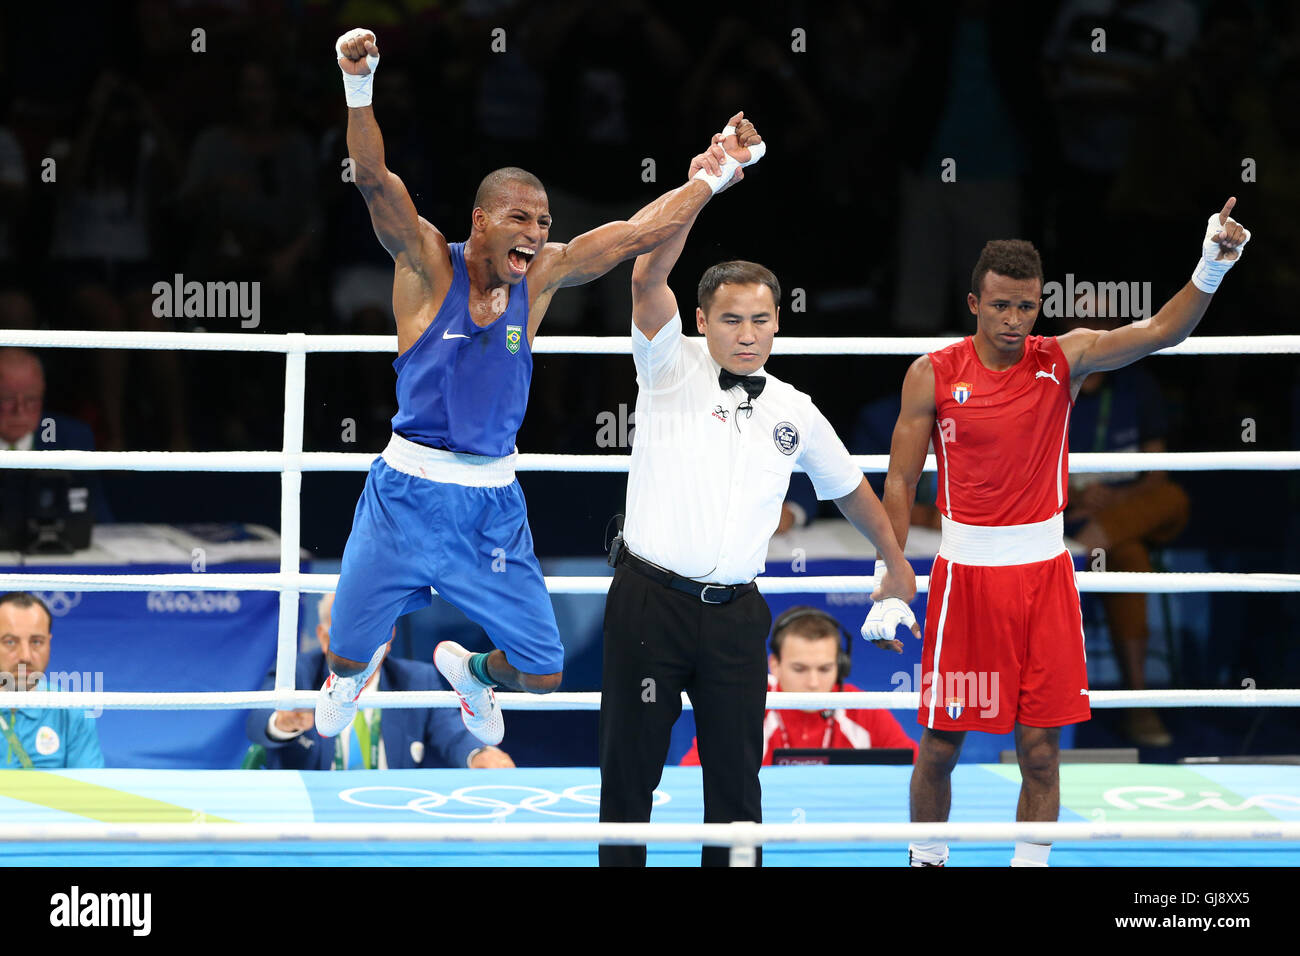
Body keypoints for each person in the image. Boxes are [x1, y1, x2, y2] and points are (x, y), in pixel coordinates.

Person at [321, 28, 769, 749]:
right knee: (345, 656)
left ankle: (470, 674)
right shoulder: (426, 262)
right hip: (403, 495)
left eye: (543, 221)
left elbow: (629, 236)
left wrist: (713, 177)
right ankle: (345, 678)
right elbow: (373, 178)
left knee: (541, 670)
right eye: (520, 218)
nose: (535, 232)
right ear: (481, 221)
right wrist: (359, 82)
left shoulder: (545, 275)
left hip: (492, 506)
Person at [869, 199, 1250, 867]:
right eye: (1001, 307)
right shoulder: (932, 374)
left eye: (1027, 306)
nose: (1015, 321)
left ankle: (1031, 864)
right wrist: (891, 577)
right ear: (973, 303)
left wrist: (1212, 264)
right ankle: (925, 858)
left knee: (1040, 749)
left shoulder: (1064, 359)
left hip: (1043, 577)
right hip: (967, 581)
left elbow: (1163, 331)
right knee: (940, 744)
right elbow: (899, 483)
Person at [599, 124, 917, 867]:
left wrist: (895, 562)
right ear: (703, 320)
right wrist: (705, 184)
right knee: (630, 782)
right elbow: (646, 278)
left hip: (738, 615)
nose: (748, 334)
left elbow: (850, 489)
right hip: (649, 604)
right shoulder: (667, 363)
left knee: (739, 789)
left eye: (762, 319)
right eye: (732, 319)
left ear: (779, 321)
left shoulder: (794, 407)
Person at [1067, 362, 1189, 748]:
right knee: (1131, 557)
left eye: (1105, 315)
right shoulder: (1043, 376)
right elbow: (1018, 470)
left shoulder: (1137, 385)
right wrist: (1073, 502)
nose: (1094, 324)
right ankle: (1138, 705)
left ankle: (1085, 547)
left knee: (1173, 499)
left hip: (1118, 515)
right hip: (1063, 517)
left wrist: (1115, 500)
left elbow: (1156, 473)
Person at [248, 594, 512, 770]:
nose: (357, 642)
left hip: (391, 808)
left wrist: (479, 754)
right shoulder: (300, 671)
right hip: (314, 807)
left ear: (389, 636)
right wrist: (282, 722)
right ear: (323, 636)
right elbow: (256, 721)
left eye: (369, 630)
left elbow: (452, 732)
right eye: (344, 630)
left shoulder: (416, 679)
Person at [679, 606, 918, 765]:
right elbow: (691, 774)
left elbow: (915, 766)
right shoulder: (744, 707)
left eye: (825, 669)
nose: (813, 683)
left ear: (841, 666)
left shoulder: (859, 707)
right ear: (775, 665)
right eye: (799, 669)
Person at [0, 591, 104, 769]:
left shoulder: (71, 712)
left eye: (36, 642)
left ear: (49, 643)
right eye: (10, 642)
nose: (25, 656)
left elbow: (89, 794)